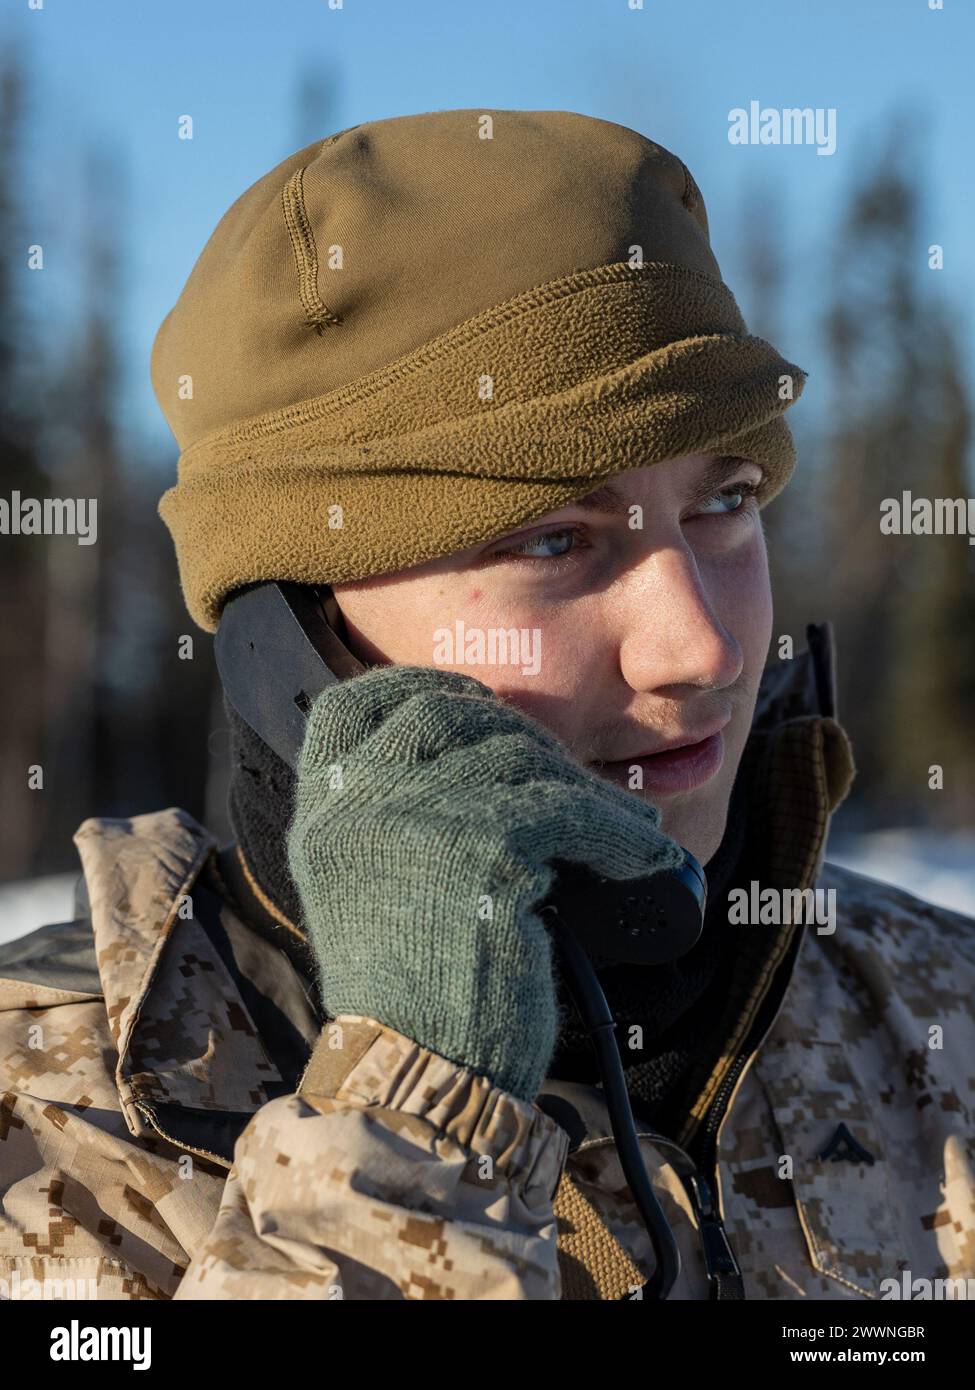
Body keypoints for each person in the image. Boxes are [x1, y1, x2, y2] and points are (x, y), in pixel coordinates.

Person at [1, 109, 972, 1302]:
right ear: (291, 641)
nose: (704, 644)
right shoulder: (48, 1131)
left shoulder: (935, 1014)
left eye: (724, 500)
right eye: (555, 539)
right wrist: (412, 1128)